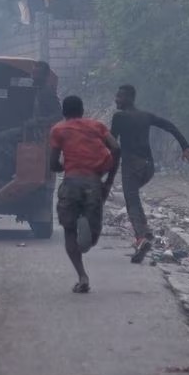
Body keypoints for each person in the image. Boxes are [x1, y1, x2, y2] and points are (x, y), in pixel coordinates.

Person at [109, 84, 189, 263]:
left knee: (131, 200)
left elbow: (111, 142)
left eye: (120, 97)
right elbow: (170, 126)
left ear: (129, 98)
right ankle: (145, 233)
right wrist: (185, 146)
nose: (116, 99)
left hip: (131, 165)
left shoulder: (119, 117)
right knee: (133, 198)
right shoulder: (145, 116)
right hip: (148, 167)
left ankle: (141, 237)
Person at [48, 95, 121, 294]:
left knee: (69, 231)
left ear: (64, 112)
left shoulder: (58, 130)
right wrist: (109, 180)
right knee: (92, 235)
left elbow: (53, 163)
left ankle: (82, 275)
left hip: (71, 182)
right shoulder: (97, 126)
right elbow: (115, 147)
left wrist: (61, 166)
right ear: (82, 110)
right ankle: (85, 244)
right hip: (93, 182)